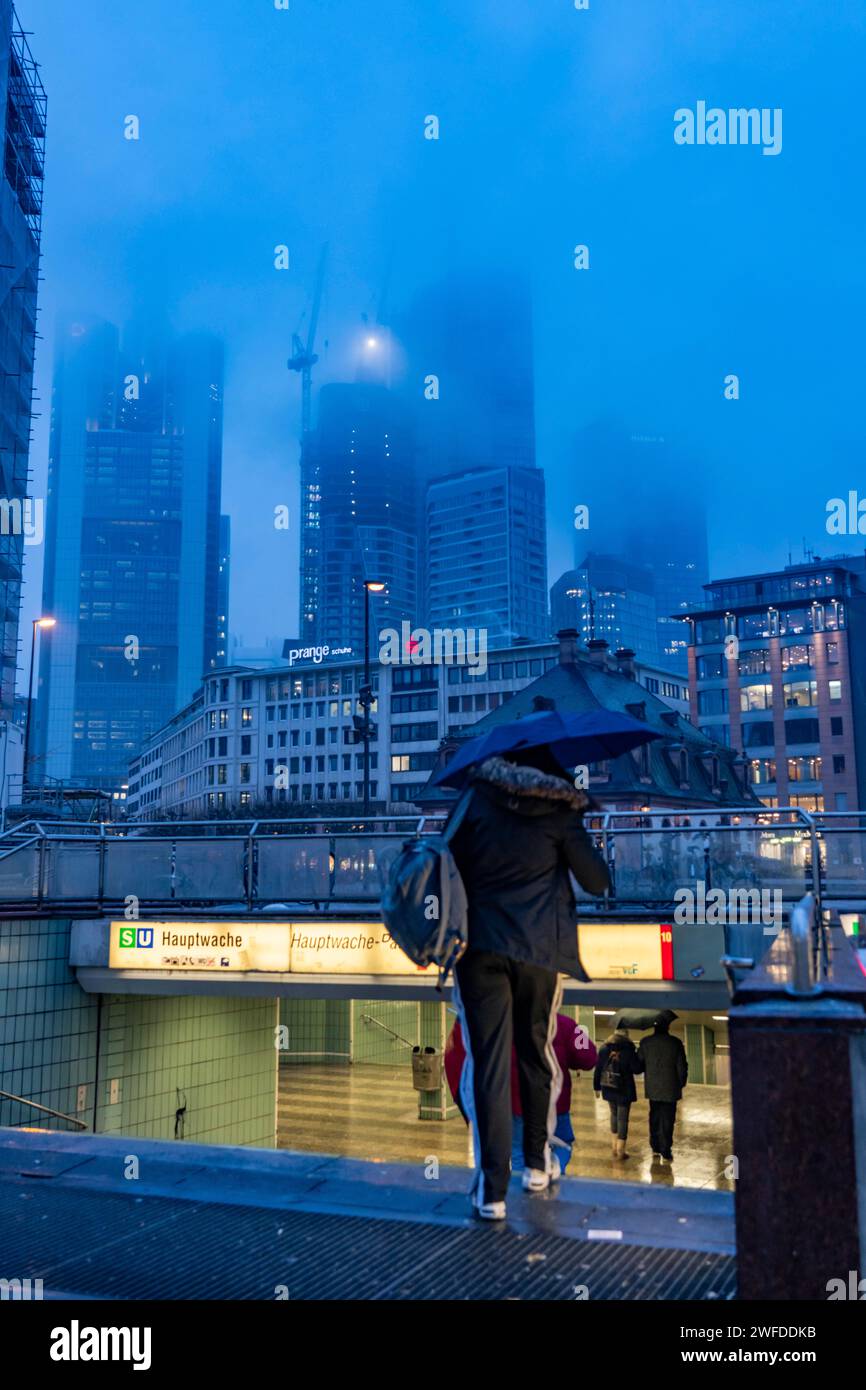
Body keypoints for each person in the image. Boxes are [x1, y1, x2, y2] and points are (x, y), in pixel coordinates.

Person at [448, 747, 610, 1221]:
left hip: (479, 950)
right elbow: (597, 882)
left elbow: (444, 861)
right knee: (535, 1052)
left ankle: (491, 1191)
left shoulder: (474, 798)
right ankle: (538, 1164)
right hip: (538, 951)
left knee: (490, 1064)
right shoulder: (560, 810)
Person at [444, 1012, 598, 1174]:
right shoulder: (566, 1024)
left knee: (520, 1153)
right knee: (561, 1145)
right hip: (555, 1107)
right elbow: (588, 1058)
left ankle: (522, 1192)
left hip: (518, 1108)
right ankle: (554, 1177)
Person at [637, 1016, 688, 1163]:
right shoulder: (675, 1043)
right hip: (671, 1088)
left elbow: (638, 1066)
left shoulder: (645, 1042)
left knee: (654, 1117)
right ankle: (666, 1150)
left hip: (653, 1088)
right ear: (668, 1027)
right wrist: (681, 1083)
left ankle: (655, 1147)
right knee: (668, 1119)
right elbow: (682, 1067)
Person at [593, 1025, 643, 1159]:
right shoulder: (629, 1050)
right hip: (624, 1088)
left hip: (609, 1086)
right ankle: (621, 1149)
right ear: (626, 1035)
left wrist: (596, 1087)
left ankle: (614, 1146)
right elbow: (637, 1069)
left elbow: (598, 1069)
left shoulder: (604, 1048)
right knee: (623, 1118)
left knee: (614, 1114)